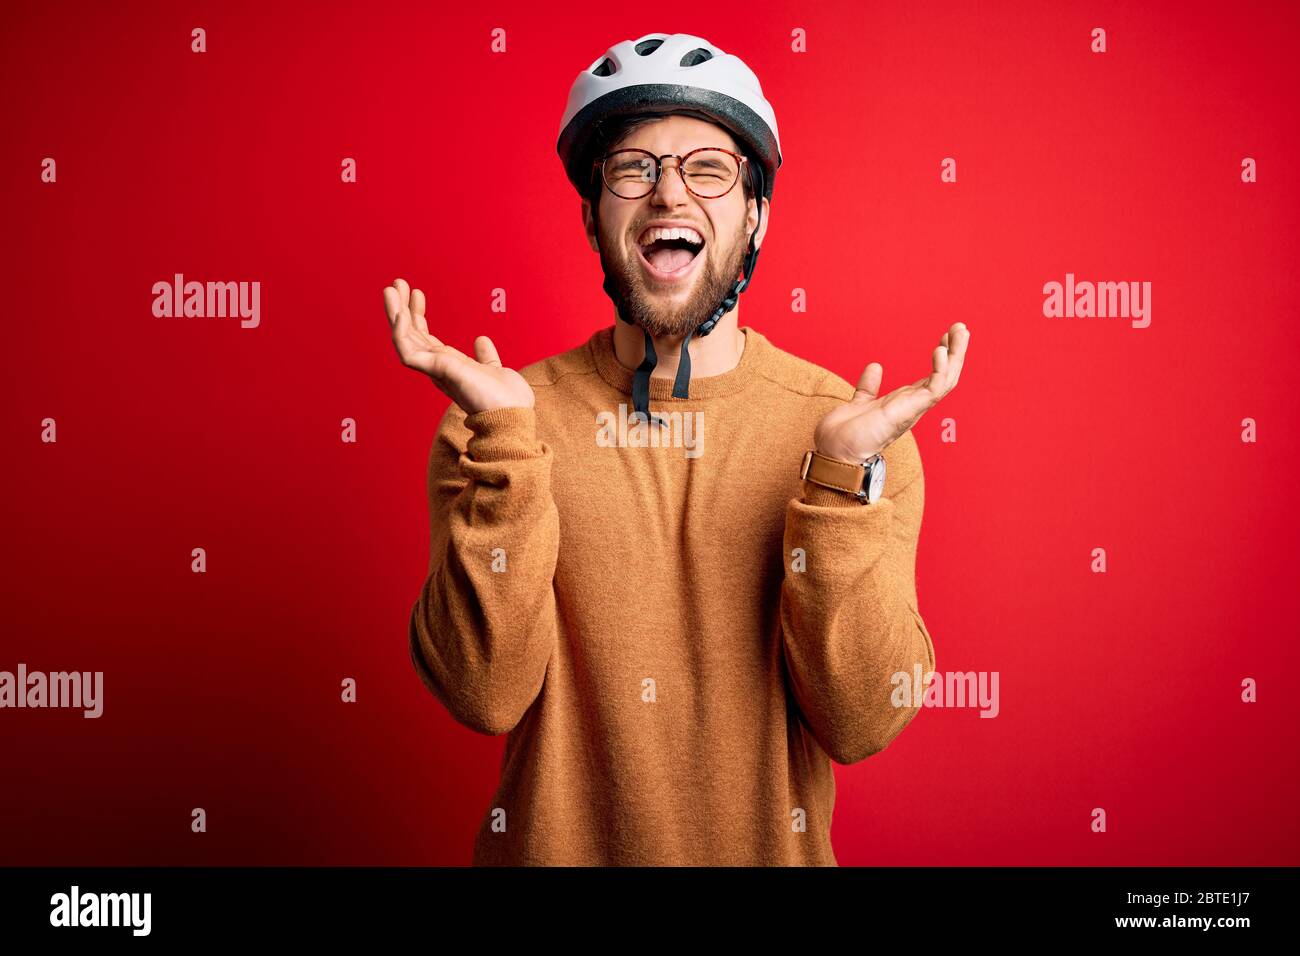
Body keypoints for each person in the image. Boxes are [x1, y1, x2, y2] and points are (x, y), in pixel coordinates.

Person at [383, 32, 970, 865]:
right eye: (632, 168)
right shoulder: (497, 423)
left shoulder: (849, 433)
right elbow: (483, 694)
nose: (668, 195)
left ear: (756, 212)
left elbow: (863, 719)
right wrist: (509, 453)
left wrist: (838, 487)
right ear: (592, 215)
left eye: (708, 169)